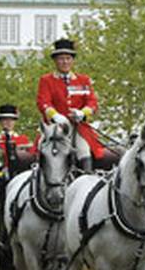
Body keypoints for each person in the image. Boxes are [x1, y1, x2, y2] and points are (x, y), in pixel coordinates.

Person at [36, 38, 103, 172]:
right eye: (61, 59)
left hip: (78, 127)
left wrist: (83, 113)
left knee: (84, 150)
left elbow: (92, 101)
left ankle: (86, 179)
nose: (65, 62)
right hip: (55, 127)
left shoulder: (83, 80)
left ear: (72, 60)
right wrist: (55, 116)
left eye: (68, 58)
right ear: (55, 61)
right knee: (42, 149)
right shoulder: (46, 80)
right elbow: (43, 101)